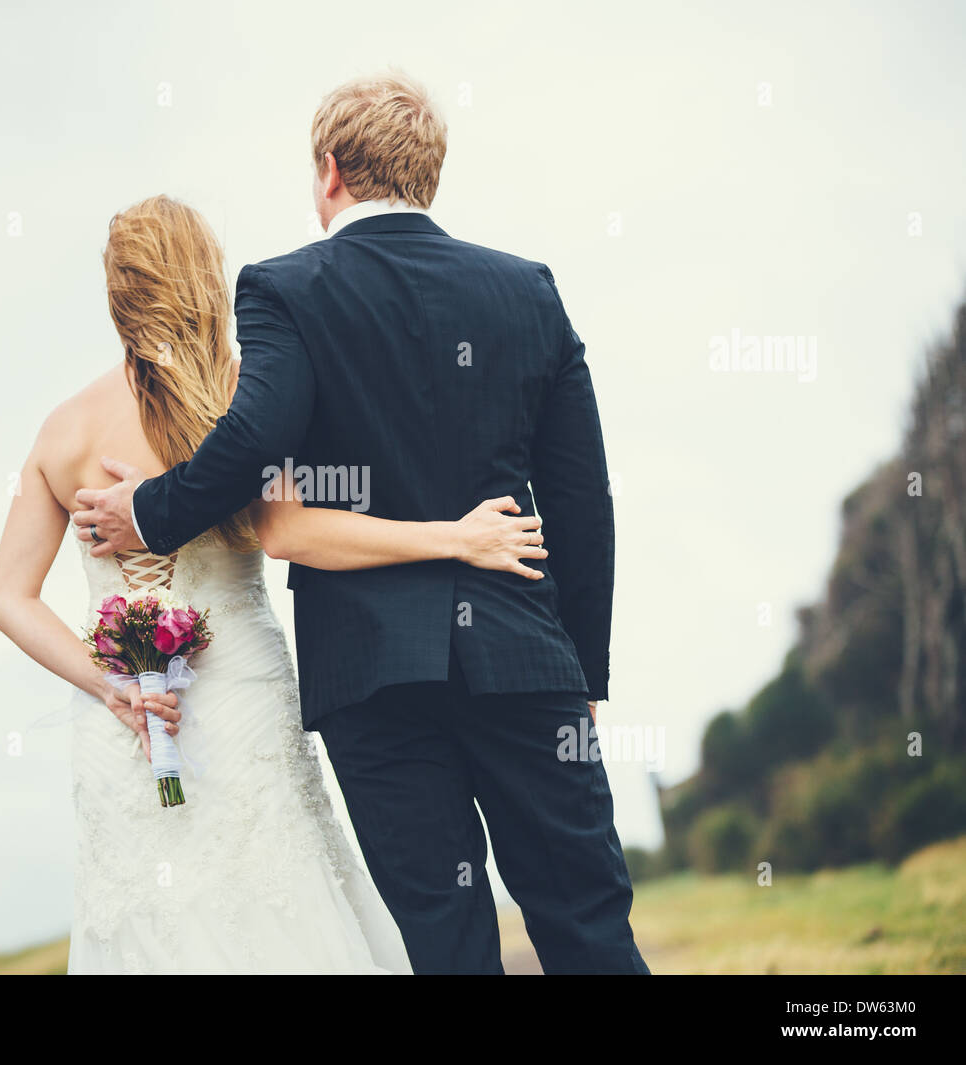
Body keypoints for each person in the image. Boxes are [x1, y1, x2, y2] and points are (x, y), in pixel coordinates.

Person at [74, 72, 648, 974]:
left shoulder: (286, 289)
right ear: (428, 176)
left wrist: (150, 509)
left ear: (329, 172)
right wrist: (586, 670)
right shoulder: (524, 288)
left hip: (373, 676)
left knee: (447, 942)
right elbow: (583, 498)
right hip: (525, 659)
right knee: (587, 924)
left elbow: (251, 438)